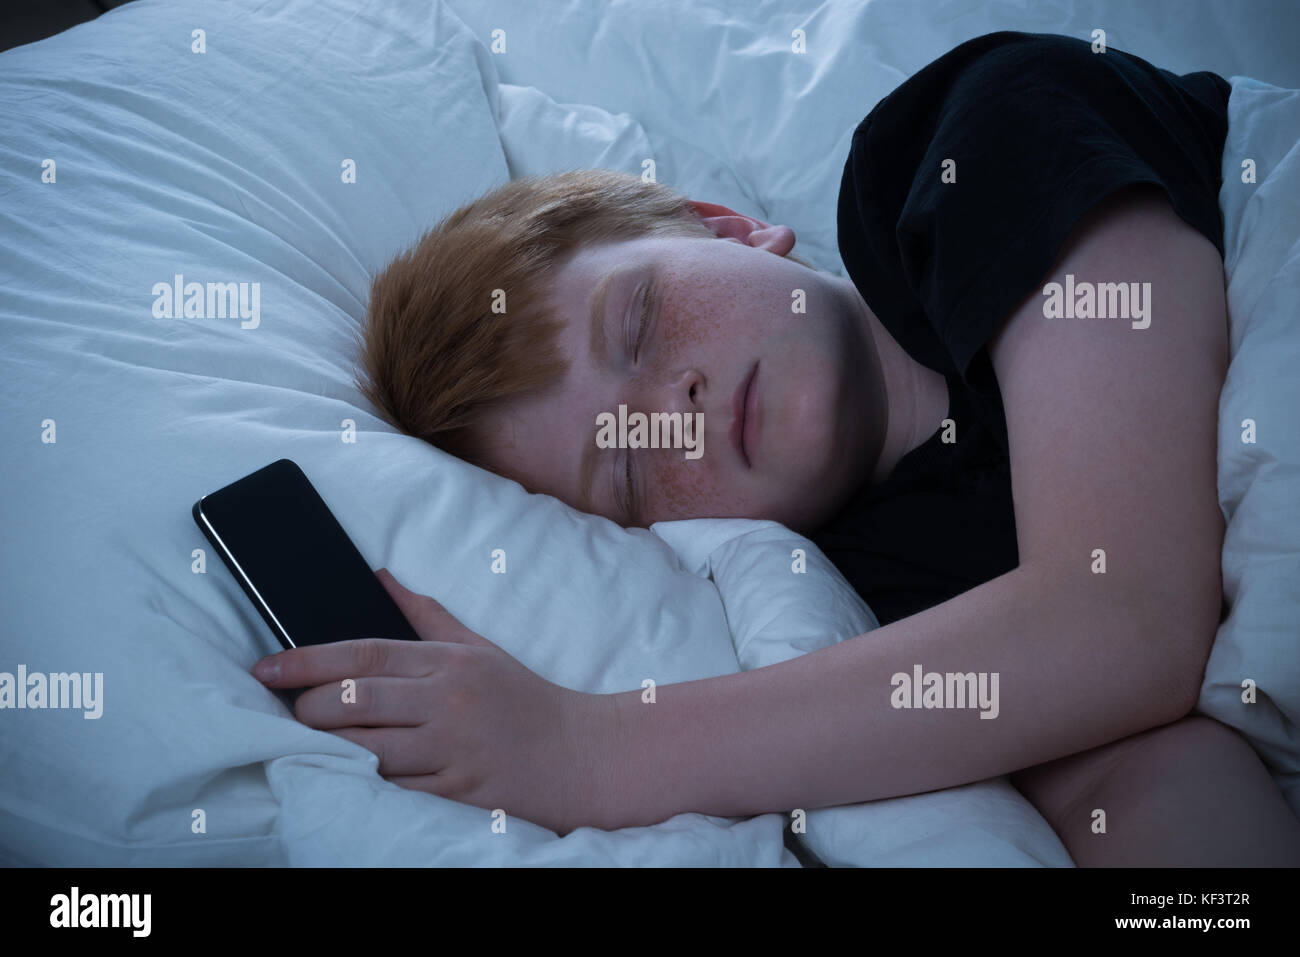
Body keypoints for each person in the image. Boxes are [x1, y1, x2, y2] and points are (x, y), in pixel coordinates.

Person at [251, 32, 1300, 864]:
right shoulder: (865, 613)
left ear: (725, 226)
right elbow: (1150, 776)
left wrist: (581, 749)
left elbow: (1120, 617)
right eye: (627, 465)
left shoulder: (962, 145)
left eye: (641, 326)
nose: (676, 403)